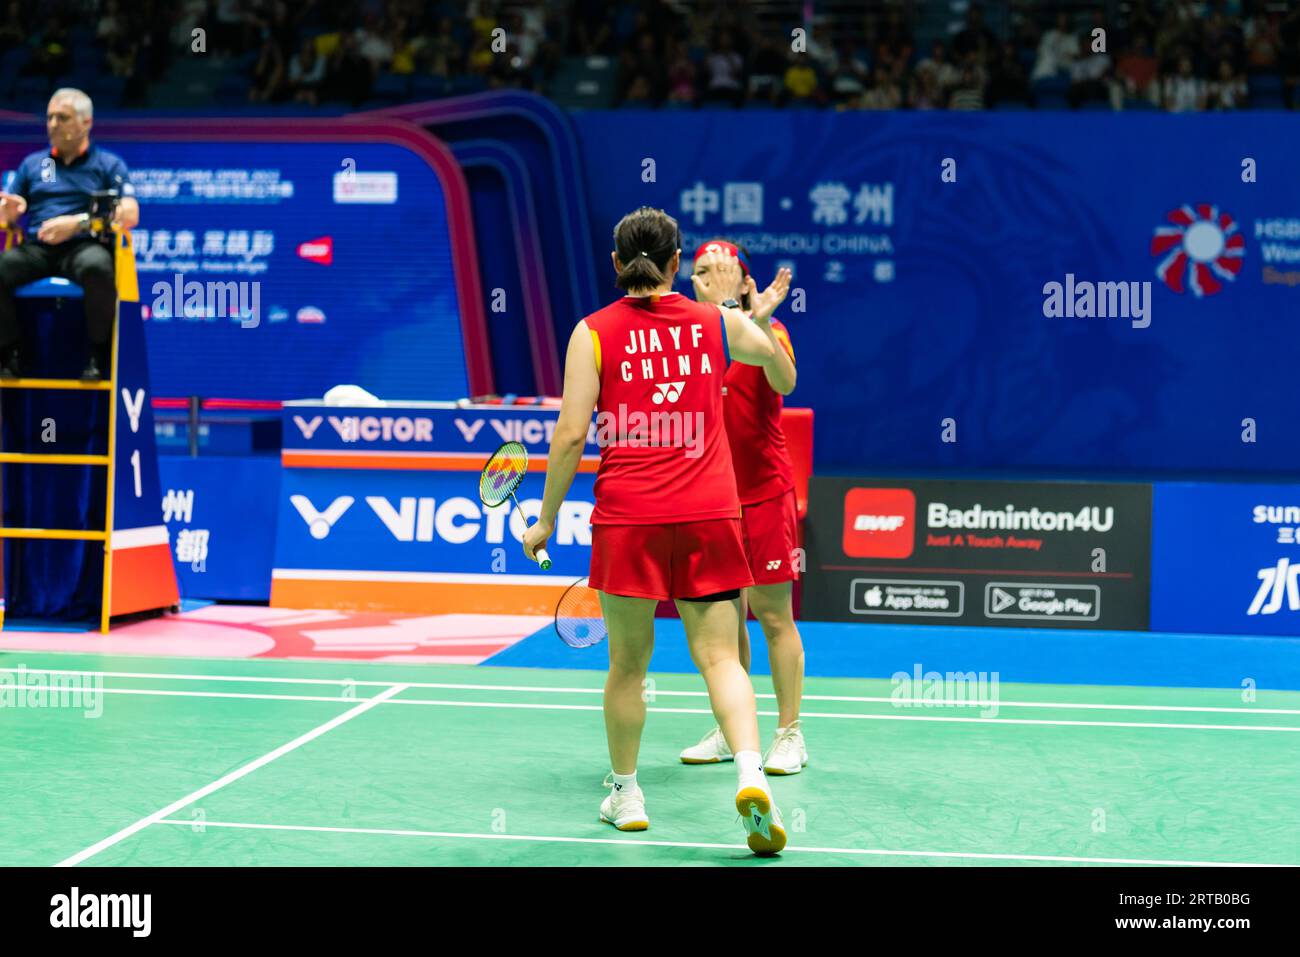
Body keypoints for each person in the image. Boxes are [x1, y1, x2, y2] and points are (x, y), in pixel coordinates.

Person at [522, 207, 793, 855]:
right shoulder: (715, 322)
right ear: (677, 265)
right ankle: (752, 775)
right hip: (709, 511)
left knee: (628, 666)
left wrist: (546, 518)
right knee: (722, 658)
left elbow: (569, 436)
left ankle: (627, 793)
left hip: (629, 515)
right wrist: (747, 314)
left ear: (616, 265)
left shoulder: (591, 332)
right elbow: (784, 375)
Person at [681, 240, 807, 776]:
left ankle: (790, 733)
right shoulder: (690, 338)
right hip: (712, 499)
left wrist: (757, 322)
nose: (710, 279)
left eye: (723, 271)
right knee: (726, 623)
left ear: (744, 280)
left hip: (763, 495)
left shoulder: (766, 333)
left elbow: (785, 382)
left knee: (774, 616)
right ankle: (738, 732)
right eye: (702, 272)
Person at [0, 89, 138, 380]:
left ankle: (98, 356)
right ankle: (11, 353)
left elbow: (129, 213)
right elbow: (8, 215)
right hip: (38, 248)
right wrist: (10, 211)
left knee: (98, 267)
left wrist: (78, 223)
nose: (52, 124)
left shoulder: (107, 165)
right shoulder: (35, 165)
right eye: (49, 117)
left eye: (61, 117)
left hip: (84, 245)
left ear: (86, 123)